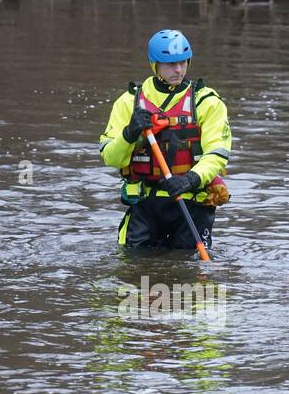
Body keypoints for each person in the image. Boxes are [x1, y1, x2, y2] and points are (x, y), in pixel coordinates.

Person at [98, 29, 232, 252]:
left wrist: (191, 178)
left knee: (188, 273)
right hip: (146, 203)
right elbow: (110, 158)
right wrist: (129, 133)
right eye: (170, 64)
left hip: (192, 201)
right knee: (135, 270)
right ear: (155, 64)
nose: (178, 70)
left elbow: (218, 153)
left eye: (182, 62)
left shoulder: (206, 101)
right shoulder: (129, 101)